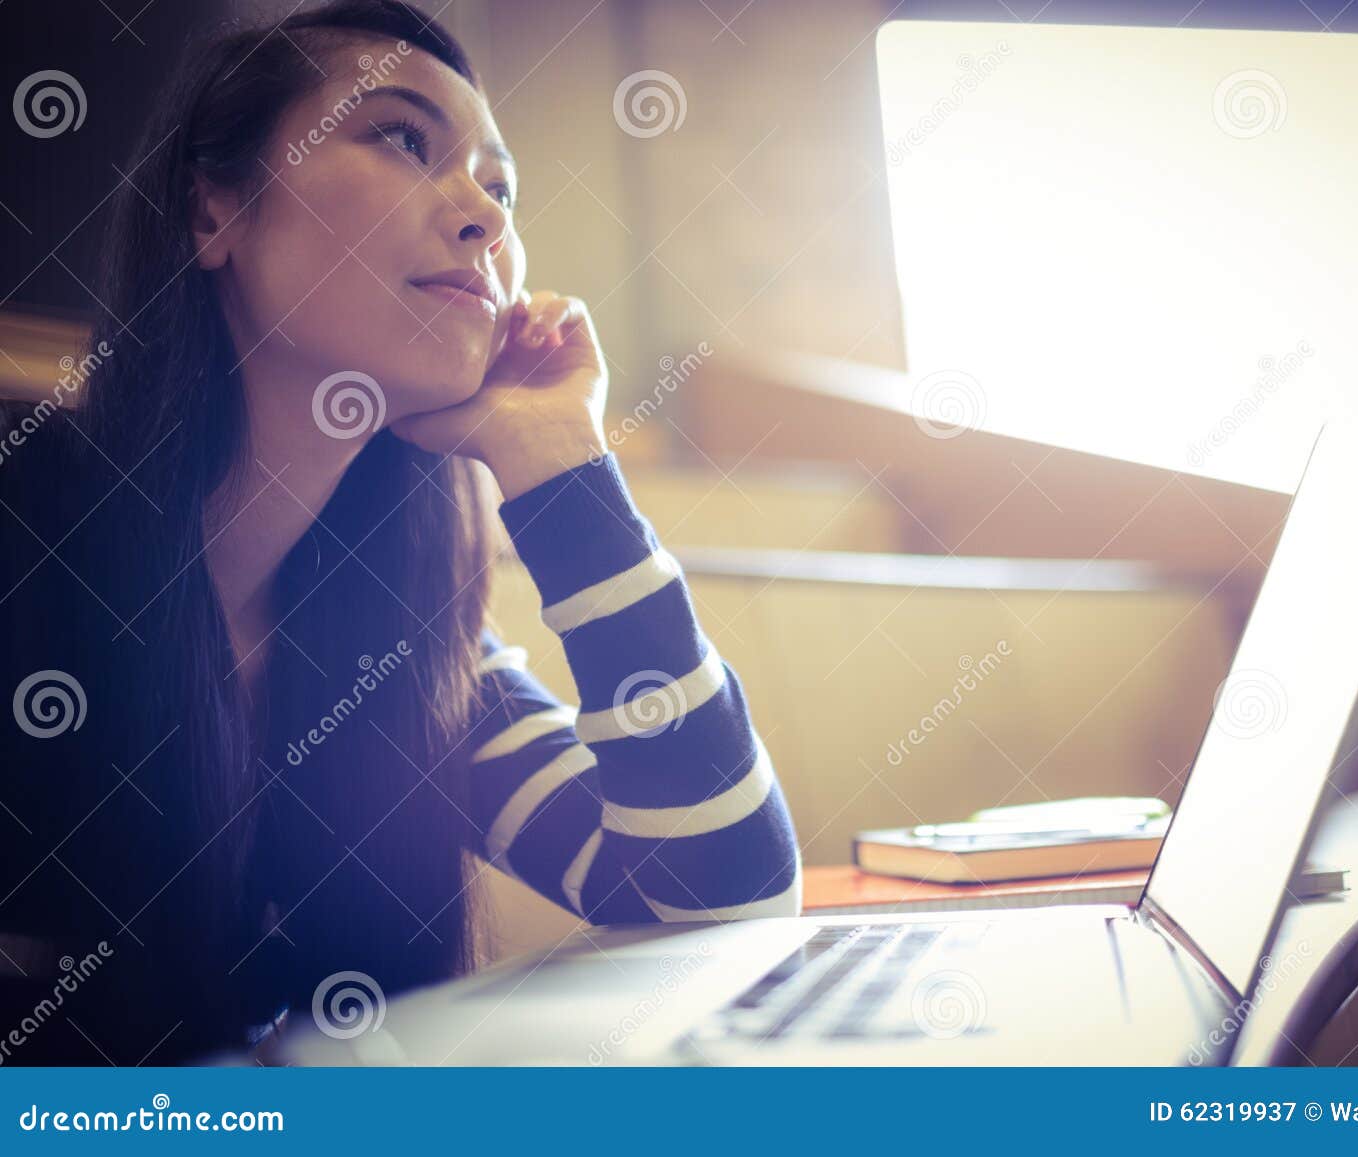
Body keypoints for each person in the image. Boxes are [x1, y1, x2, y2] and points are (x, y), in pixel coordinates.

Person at [0, 0, 799, 1064]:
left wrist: (560, 459)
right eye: (403, 138)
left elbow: (720, 901)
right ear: (213, 213)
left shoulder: (413, 648)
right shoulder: (27, 541)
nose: (485, 214)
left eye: (501, 186)